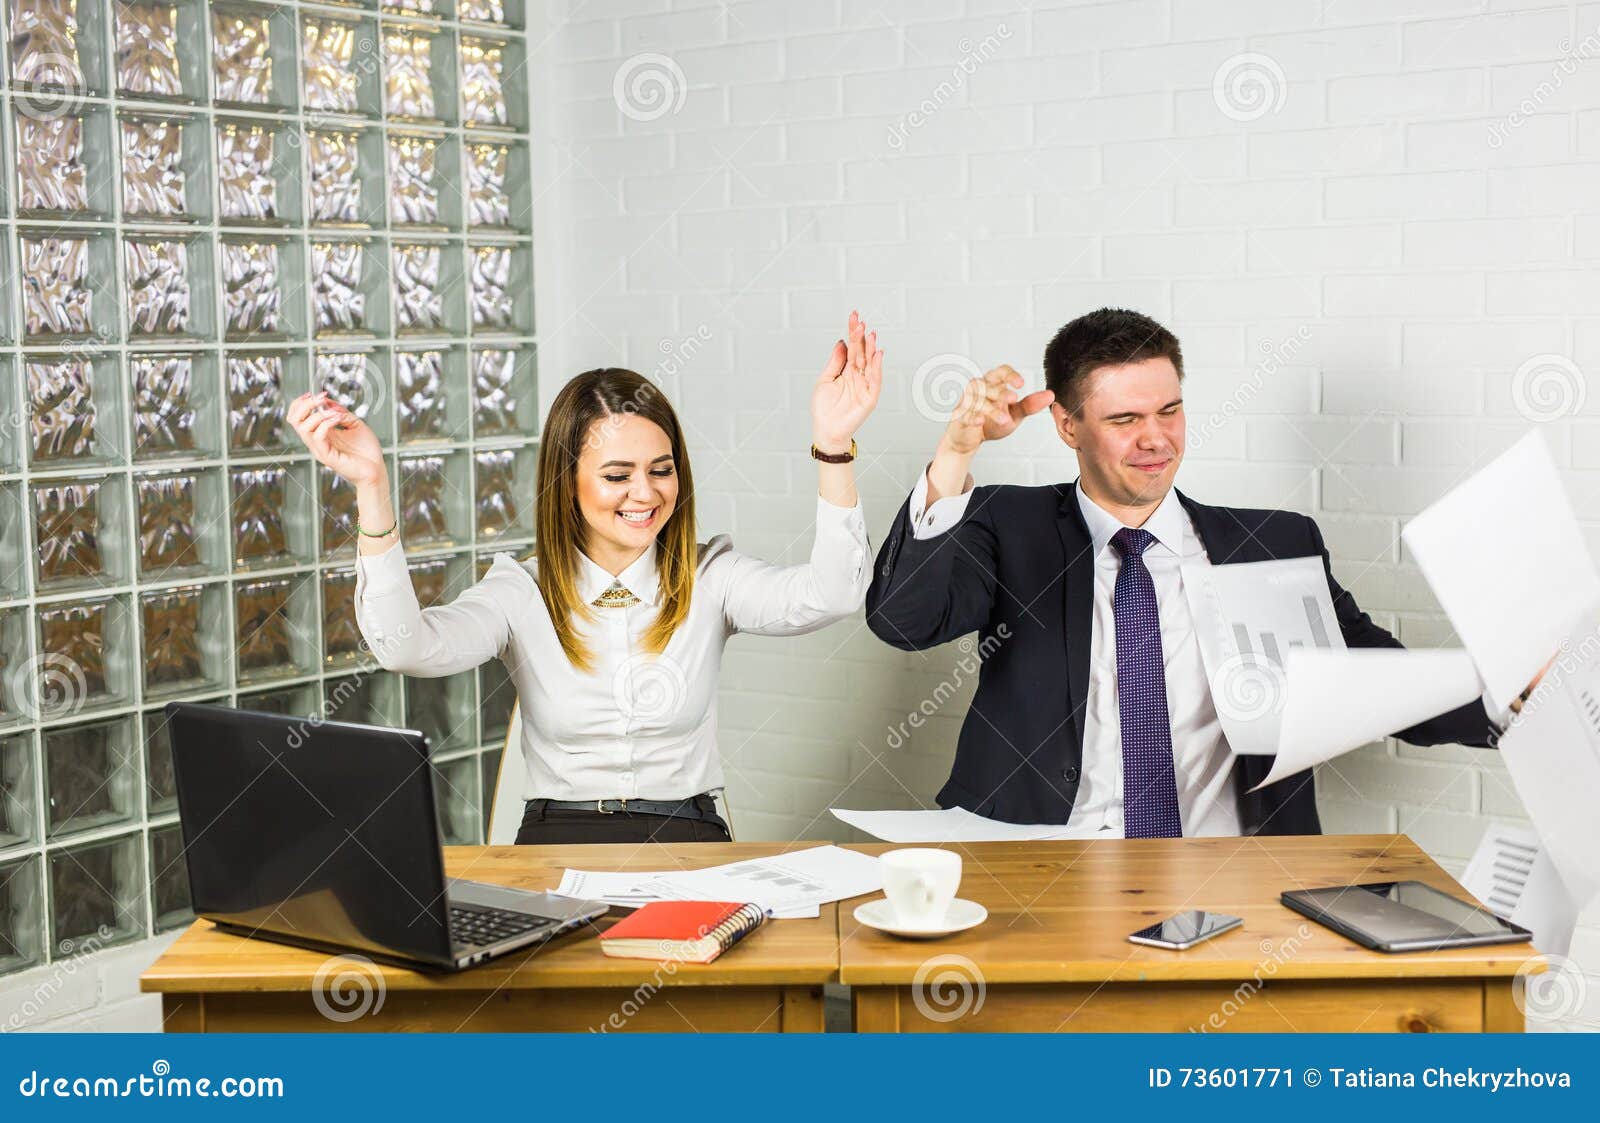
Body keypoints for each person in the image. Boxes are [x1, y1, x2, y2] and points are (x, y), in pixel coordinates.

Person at [866, 307, 1541, 837]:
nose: (1156, 438)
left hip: (1225, 873)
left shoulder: (1272, 542)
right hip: (1045, 866)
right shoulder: (1007, 524)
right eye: (1124, 419)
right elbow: (904, 620)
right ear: (1068, 427)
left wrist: (1514, 692)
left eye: (1170, 410)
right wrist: (955, 453)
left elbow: (1375, 675)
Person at [290, 312, 884, 844]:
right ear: (567, 483)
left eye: (661, 470)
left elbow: (833, 594)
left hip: (686, 831)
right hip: (559, 836)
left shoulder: (711, 576)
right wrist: (371, 487)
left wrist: (833, 447)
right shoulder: (520, 591)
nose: (645, 494)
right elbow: (405, 648)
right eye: (617, 475)